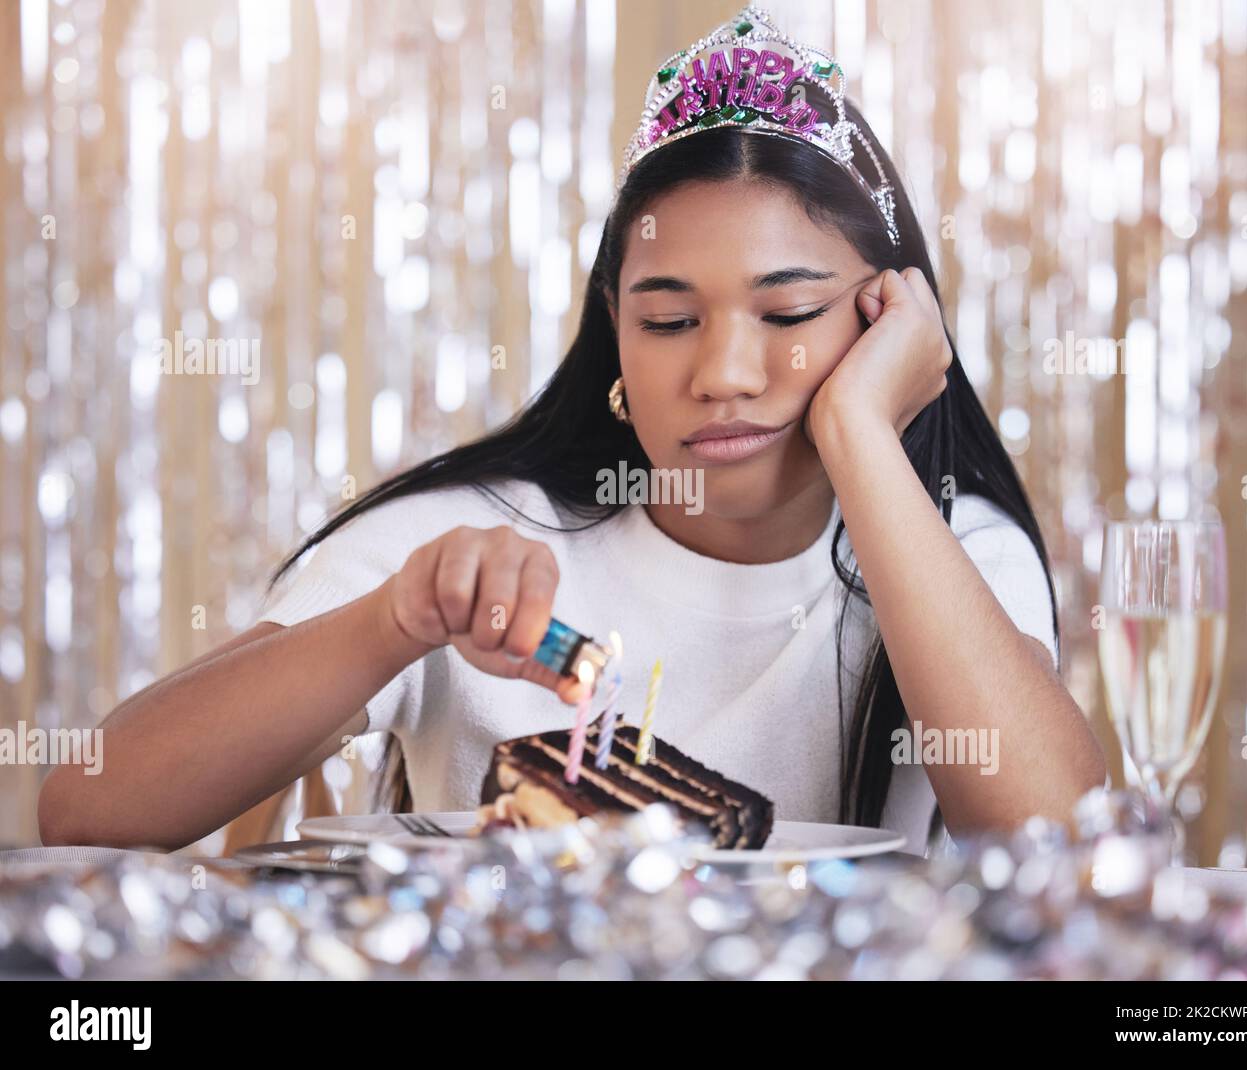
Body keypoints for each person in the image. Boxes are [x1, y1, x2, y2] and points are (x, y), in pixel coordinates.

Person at [39, 6, 1105, 854]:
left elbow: (1058, 841)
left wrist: (864, 439)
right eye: (670, 320)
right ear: (615, 336)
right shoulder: (476, 538)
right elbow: (87, 805)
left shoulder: (947, 555)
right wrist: (392, 620)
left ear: (888, 320)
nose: (724, 371)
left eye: (786, 316)